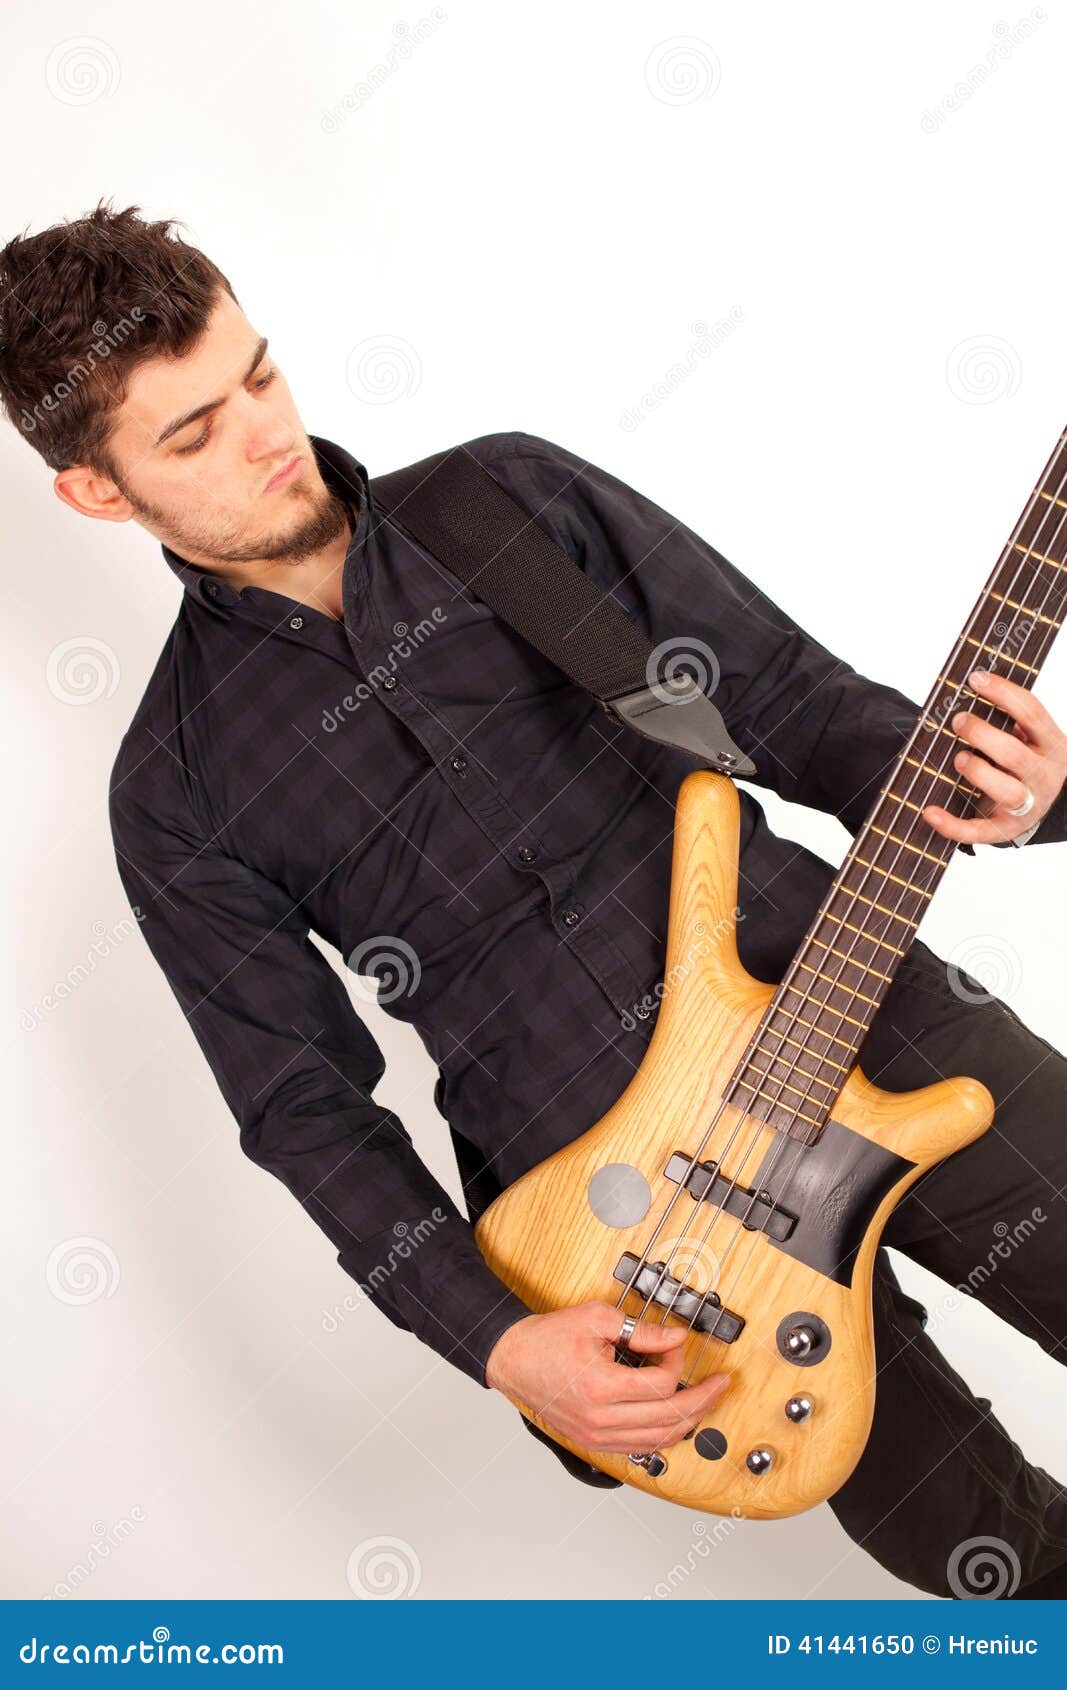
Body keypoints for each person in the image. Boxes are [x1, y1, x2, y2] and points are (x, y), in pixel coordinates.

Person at [3, 201, 1066, 1600]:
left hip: (860, 1006)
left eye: (259, 374)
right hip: (635, 1234)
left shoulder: (505, 501)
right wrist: (498, 1338)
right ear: (98, 491)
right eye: (193, 432)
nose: (265, 433)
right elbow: (307, 1114)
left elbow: (794, 702)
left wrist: (1028, 794)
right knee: (990, 1556)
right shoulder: (175, 788)